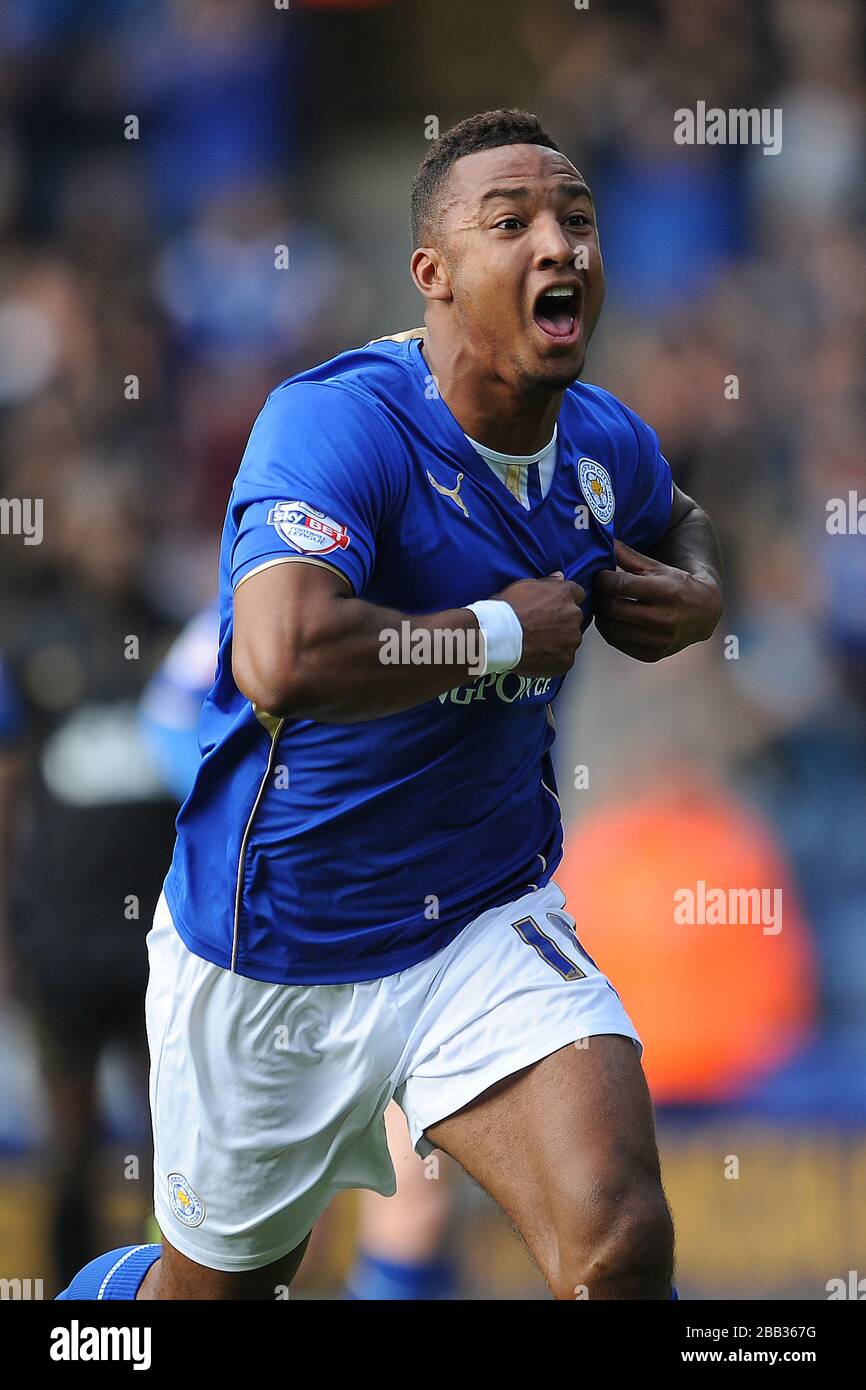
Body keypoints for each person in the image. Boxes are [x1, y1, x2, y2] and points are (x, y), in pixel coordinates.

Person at [58, 108, 722, 1302]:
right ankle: (98, 1309)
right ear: (432, 274)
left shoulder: (597, 444)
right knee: (205, 1298)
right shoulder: (335, 423)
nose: (557, 246)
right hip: (276, 945)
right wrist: (504, 632)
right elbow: (280, 654)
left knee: (619, 1241)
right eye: (509, 223)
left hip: (479, 916)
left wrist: (702, 593)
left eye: (575, 220)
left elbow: (673, 513)